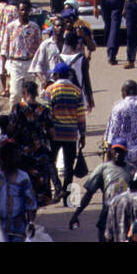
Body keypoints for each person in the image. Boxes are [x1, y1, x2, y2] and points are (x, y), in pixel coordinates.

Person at [41, 63, 87, 204]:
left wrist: (46, 130)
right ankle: (67, 197)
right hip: (71, 134)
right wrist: (82, 134)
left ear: (57, 75)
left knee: (50, 161)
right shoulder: (76, 91)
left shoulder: (51, 90)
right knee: (68, 166)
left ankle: (57, 187)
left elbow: (47, 112)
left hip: (54, 133)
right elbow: (81, 115)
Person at [69, 141, 133, 241]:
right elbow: (89, 194)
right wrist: (76, 214)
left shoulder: (132, 170)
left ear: (126, 153)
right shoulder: (103, 169)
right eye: (115, 151)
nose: (118, 154)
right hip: (107, 216)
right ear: (110, 151)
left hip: (126, 218)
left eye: (121, 151)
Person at [0, 145, 37, 241]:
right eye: (14, 157)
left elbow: (30, 203)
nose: (18, 160)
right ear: (4, 159)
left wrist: (31, 222)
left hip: (18, 230)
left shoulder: (23, 178)